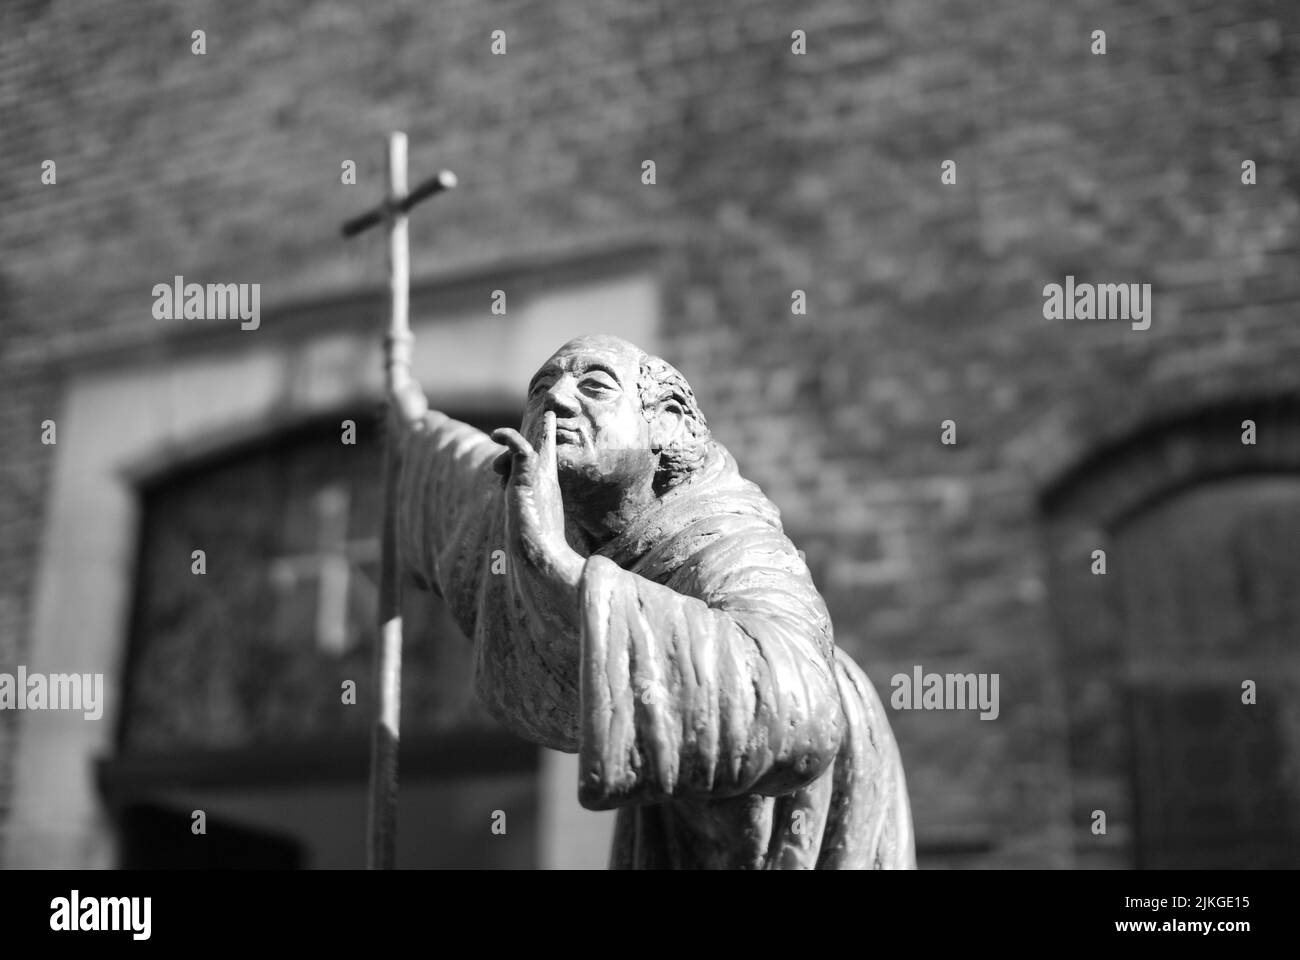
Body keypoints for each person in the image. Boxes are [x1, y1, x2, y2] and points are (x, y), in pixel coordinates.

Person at [393, 334, 915, 868]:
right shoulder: (538, 504)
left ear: (668, 422)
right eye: (541, 389)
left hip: (793, 821)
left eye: (594, 386)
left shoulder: (727, 541)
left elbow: (801, 707)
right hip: (679, 823)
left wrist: (556, 565)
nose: (558, 400)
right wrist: (409, 437)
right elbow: (459, 482)